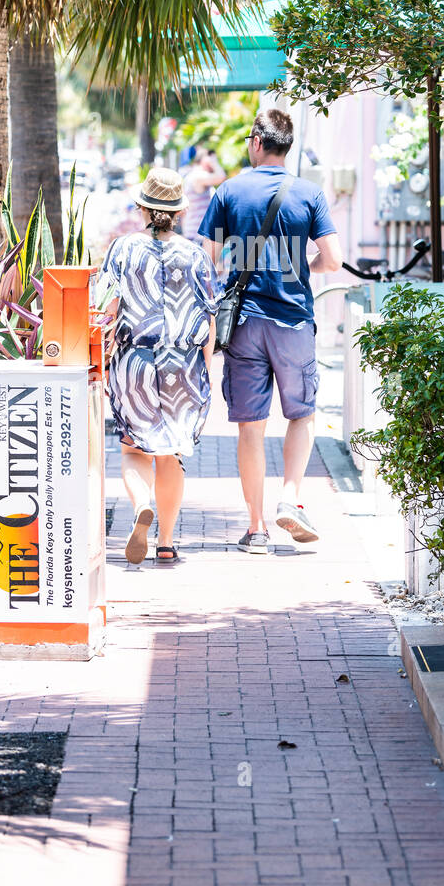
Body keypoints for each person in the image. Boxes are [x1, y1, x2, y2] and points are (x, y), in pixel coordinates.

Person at [198, 108, 342, 553]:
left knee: (250, 428)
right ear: (288, 145)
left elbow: (209, 260)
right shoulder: (310, 194)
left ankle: (256, 528)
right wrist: (300, 270)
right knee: (301, 414)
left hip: (242, 323)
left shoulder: (228, 191)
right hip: (294, 319)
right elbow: (332, 260)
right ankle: (291, 500)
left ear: (257, 142)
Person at [101, 167, 217, 565]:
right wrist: (207, 373)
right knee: (170, 456)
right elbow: (208, 316)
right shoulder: (195, 253)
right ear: (180, 211)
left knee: (133, 449)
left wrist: (104, 360)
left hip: (134, 360)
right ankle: (166, 543)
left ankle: (140, 507)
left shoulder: (122, 249)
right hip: (183, 365)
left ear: (141, 207)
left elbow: (108, 309)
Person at [181, 146, 226, 240]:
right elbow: (221, 177)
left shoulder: (194, 175)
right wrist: (213, 162)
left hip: (194, 234)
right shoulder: (198, 175)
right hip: (198, 236)